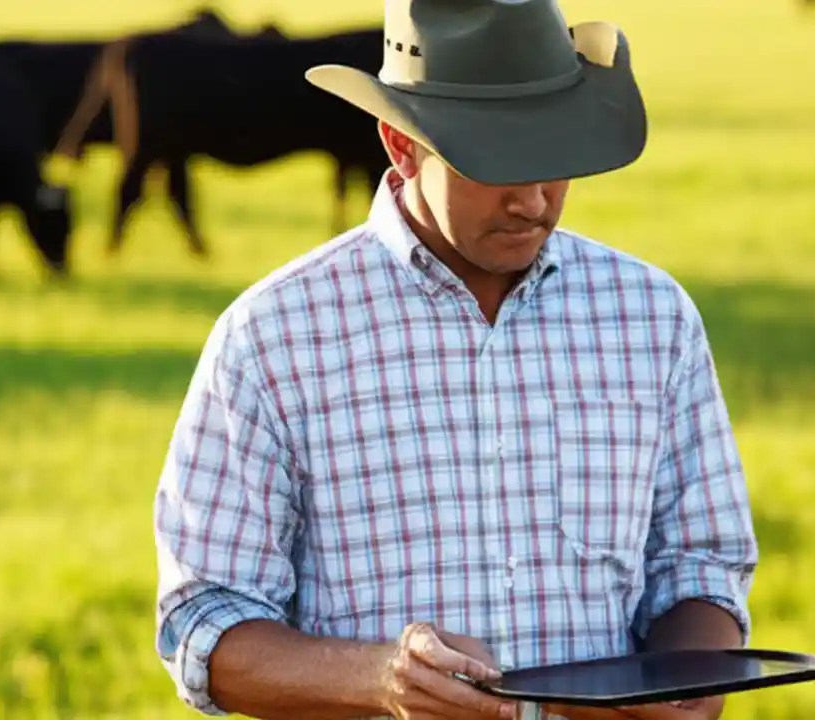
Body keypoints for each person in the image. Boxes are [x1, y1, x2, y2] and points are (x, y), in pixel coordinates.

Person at [153, 1, 759, 718]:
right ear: (399, 144)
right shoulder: (274, 337)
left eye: (557, 157)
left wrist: (689, 684)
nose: (534, 201)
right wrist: (378, 679)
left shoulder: (653, 320)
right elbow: (203, 621)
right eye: (497, 162)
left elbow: (699, 566)